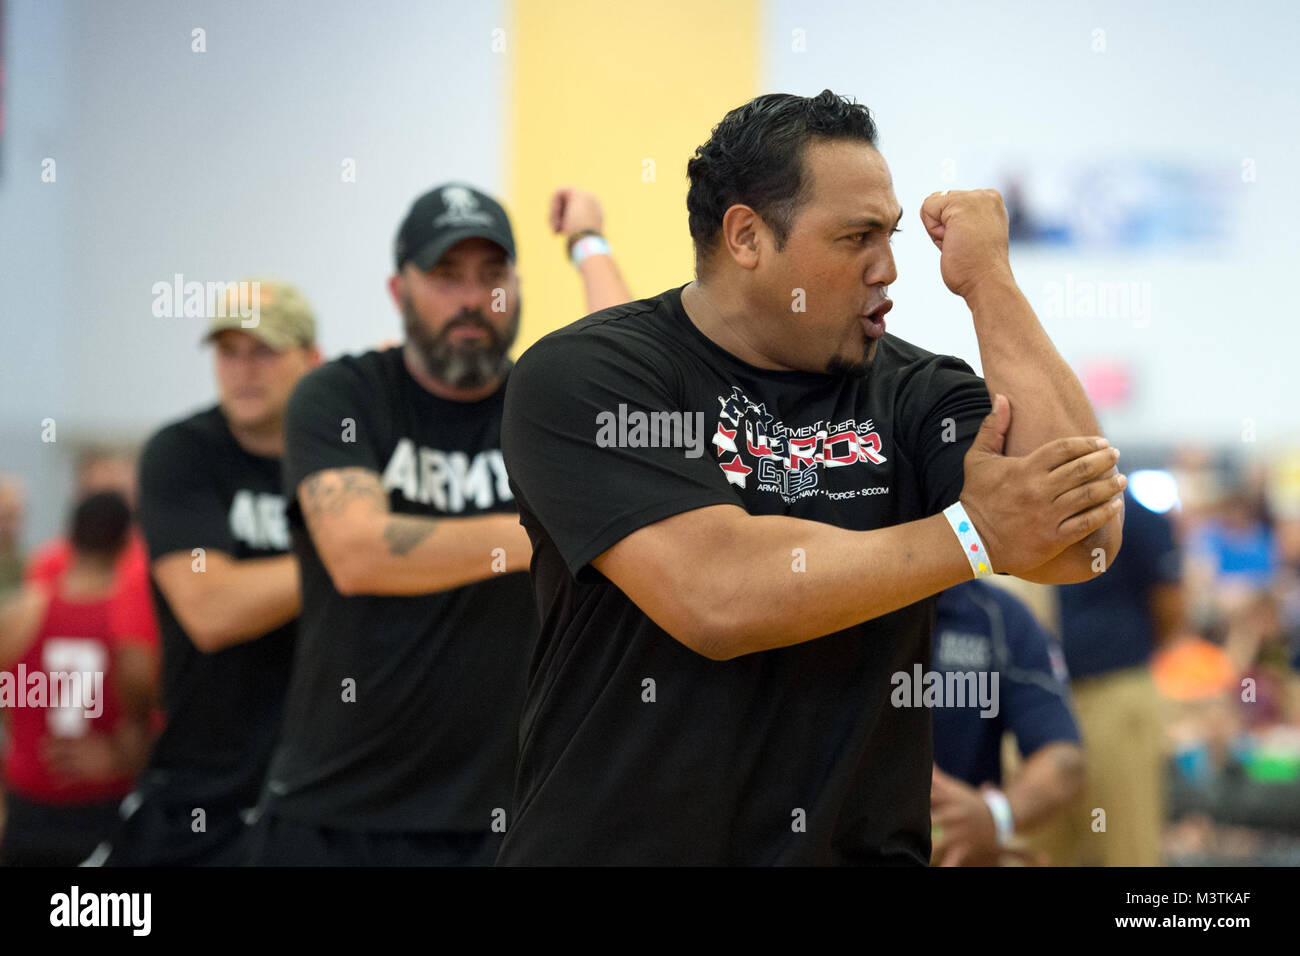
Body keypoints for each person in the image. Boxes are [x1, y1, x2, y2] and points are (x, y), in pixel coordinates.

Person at [497, 90, 1126, 865]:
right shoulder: (591, 375)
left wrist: (990, 282)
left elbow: (1083, 541)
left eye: (890, 235)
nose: (889, 268)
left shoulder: (916, 392)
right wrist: (971, 533)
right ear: (748, 237)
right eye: (857, 238)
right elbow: (716, 591)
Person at [244, 183, 631, 865]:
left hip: (503, 818)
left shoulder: (538, 403)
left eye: (491, 274)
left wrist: (588, 242)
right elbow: (359, 551)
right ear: (399, 290)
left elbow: (630, 371)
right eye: (446, 276)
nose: (472, 298)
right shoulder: (343, 394)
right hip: (333, 818)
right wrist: (558, 532)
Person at [94, 281, 320, 866]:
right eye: (228, 351)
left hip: (323, 788)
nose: (244, 369)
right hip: (202, 785)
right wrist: (355, 557)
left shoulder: (339, 452)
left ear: (311, 359)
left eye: (264, 350)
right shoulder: (183, 452)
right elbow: (210, 610)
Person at [0, 492, 154, 866]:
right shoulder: (131, 624)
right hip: (102, 805)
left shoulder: (20, 611)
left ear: (68, 537)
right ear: (126, 543)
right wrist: (118, 759)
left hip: (29, 800)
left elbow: (9, 707)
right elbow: (143, 723)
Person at [1041, 486, 1184, 866]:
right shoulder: (1031, 514)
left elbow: (1170, 607)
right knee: (1040, 845)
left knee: (1126, 845)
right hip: (1042, 697)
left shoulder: (1136, 517)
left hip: (1114, 688)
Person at [929, 579, 1085, 866]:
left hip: (955, 850)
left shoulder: (998, 616)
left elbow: (1064, 756)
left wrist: (996, 815)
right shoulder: (837, 600)